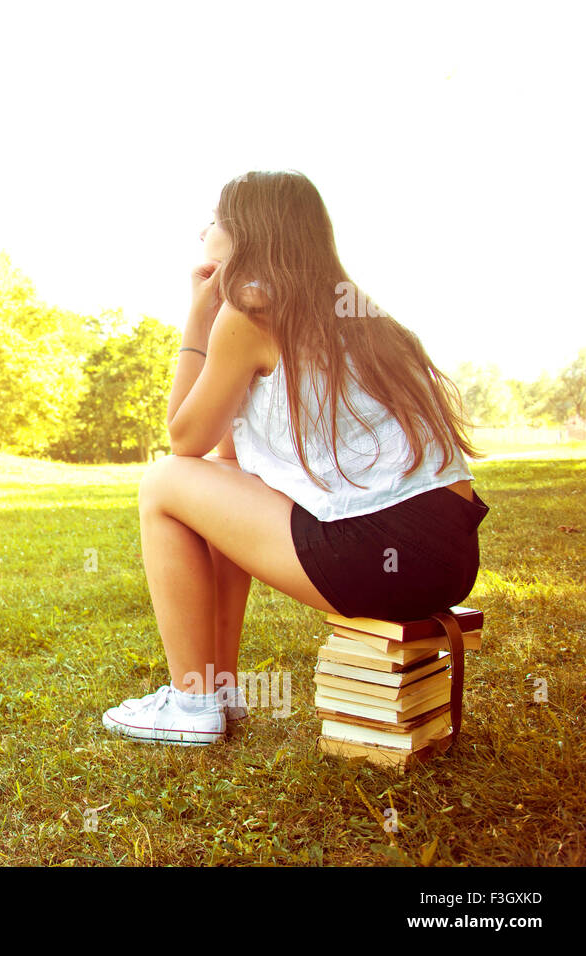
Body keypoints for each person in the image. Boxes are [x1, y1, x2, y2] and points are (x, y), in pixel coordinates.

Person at [102, 169, 489, 746]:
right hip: (448, 557)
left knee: (162, 483)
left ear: (245, 234)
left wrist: (198, 316)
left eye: (214, 219)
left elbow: (183, 440)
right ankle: (218, 688)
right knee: (217, 481)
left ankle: (190, 706)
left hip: (382, 551)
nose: (204, 229)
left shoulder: (252, 313)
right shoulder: (360, 313)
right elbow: (225, 460)